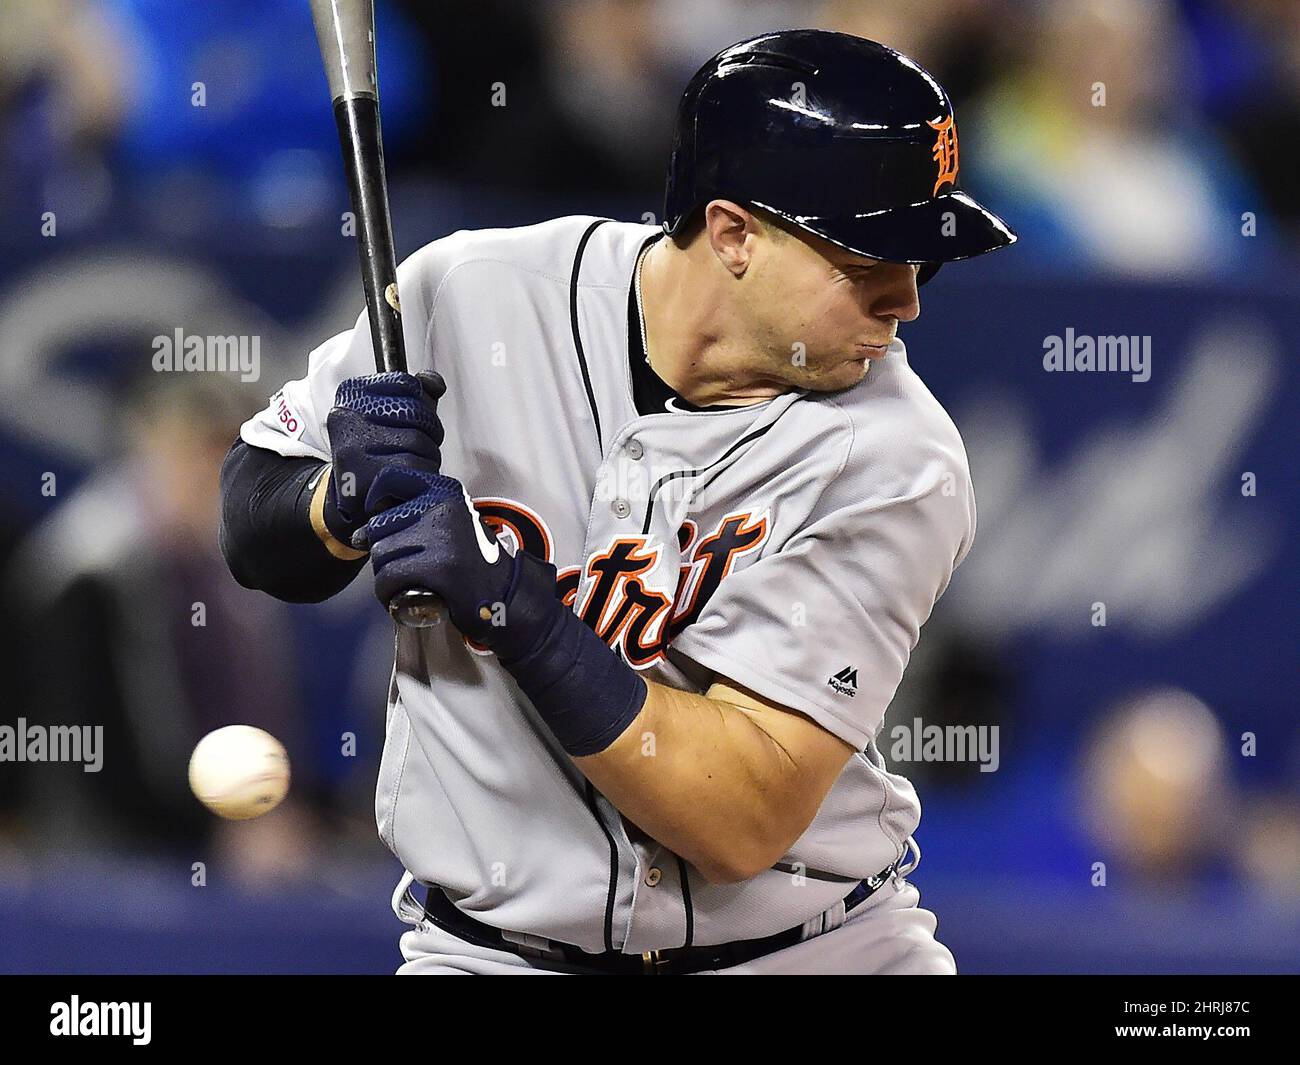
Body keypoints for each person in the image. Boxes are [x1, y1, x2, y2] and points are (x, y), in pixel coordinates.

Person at [219, 29, 1016, 974]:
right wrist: (337, 501)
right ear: (732, 234)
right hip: (494, 953)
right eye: (868, 260)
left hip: (806, 953)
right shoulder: (473, 293)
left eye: (922, 258)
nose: (907, 299)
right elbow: (250, 522)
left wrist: (515, 608)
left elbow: (739, 815)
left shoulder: (896, 454)